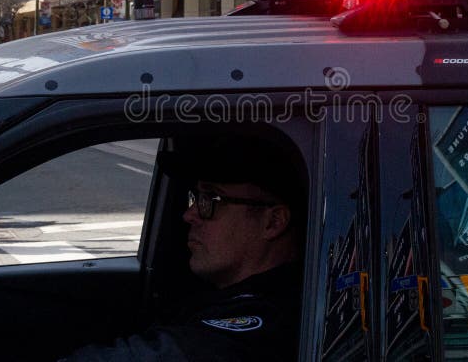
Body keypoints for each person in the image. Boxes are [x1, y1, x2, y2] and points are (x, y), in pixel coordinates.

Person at [62, 134, 305, 362]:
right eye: (196, 197)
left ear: (273, 222)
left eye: (211, 200)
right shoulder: (216, 294)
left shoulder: (267, 323)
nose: (189, 214)